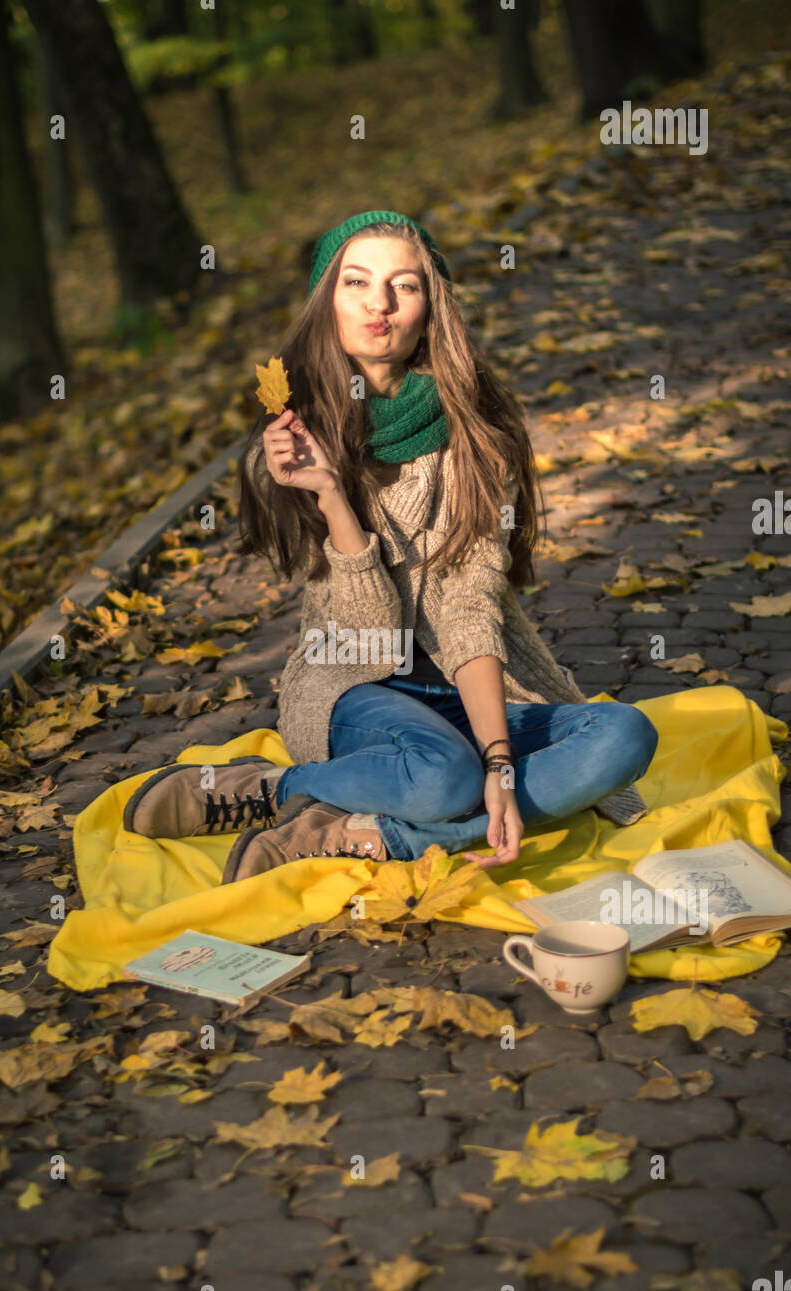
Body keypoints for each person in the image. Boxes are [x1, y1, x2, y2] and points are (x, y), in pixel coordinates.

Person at [123, 210, 658, 884]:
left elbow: (468, 613)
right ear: (327, 303)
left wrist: (499, 760)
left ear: (431, 309)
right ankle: (276, 789)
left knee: (624, 736)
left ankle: (370, 833)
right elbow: (369, 641)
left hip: (469, 688)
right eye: (356, 282)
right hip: (352, 685)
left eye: (404, 286)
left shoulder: (475, 436)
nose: (379, 304)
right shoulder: (291, 439)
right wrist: (331, 497)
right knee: (443, 778)